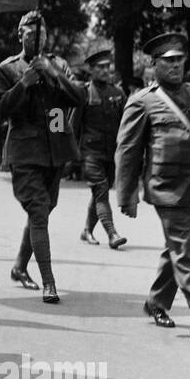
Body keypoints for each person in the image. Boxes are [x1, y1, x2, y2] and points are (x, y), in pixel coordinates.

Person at [115, 33, 190, 344]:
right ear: (154, 65)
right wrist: (127, 195)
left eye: (179, 60)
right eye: (168, 61)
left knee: (178, 248)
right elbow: (128, 151)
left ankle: (157, 301)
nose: (176, 65)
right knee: (186, 253)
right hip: (167, 189)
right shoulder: (142, 101)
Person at [0, 10, 85, 303]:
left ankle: (19, 267)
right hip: (25, 152)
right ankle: (49, 282)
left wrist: (52, 74)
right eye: (31, 34)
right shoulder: (7, 69)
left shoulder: (59, 64)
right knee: (39, 212)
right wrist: (24, 84)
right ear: (20, 36)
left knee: (42, 210)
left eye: (41, 35)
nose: (37, 39)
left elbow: (78, 97)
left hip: (56, 151)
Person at [76, 47, 128, 249]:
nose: (105, 70)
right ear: (91, 69)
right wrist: (67, 151)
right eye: (100, 67)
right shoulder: (84, 93)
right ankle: (112, 234)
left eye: (108, 66)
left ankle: (87, 230)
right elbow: (71, 124)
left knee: (99, 193)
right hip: (90, 153)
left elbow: (127, 124)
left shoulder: (118, 93)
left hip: (111, 153)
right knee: (101, 191)